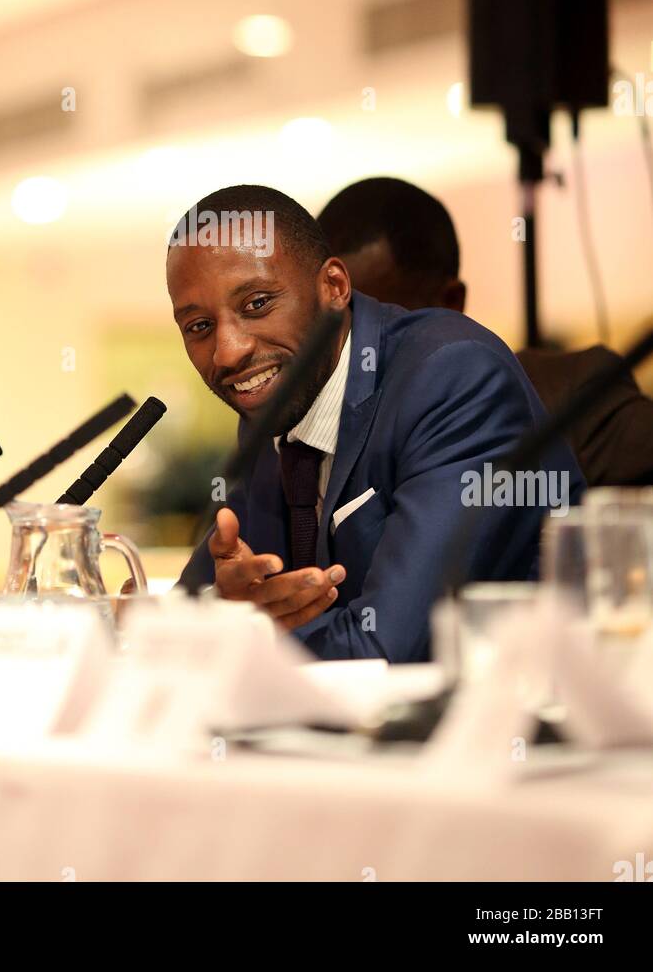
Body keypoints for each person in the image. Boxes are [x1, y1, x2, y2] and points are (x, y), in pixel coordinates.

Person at [170, 183, 584, 662]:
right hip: (343, 731)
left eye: (258, 304)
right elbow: (178, 617)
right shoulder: (274, 410)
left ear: (334, 288)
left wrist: (232, 637)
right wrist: (222, 605)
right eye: (199, 326)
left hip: (518, 725)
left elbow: (388, 646)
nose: (229, 351)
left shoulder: (453, 375)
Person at [317, 177, 653, 487]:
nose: (354, 346)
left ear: (451, 302)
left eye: (378, 321)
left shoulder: (573, 398)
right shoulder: (300, 439)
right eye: (332, 324)